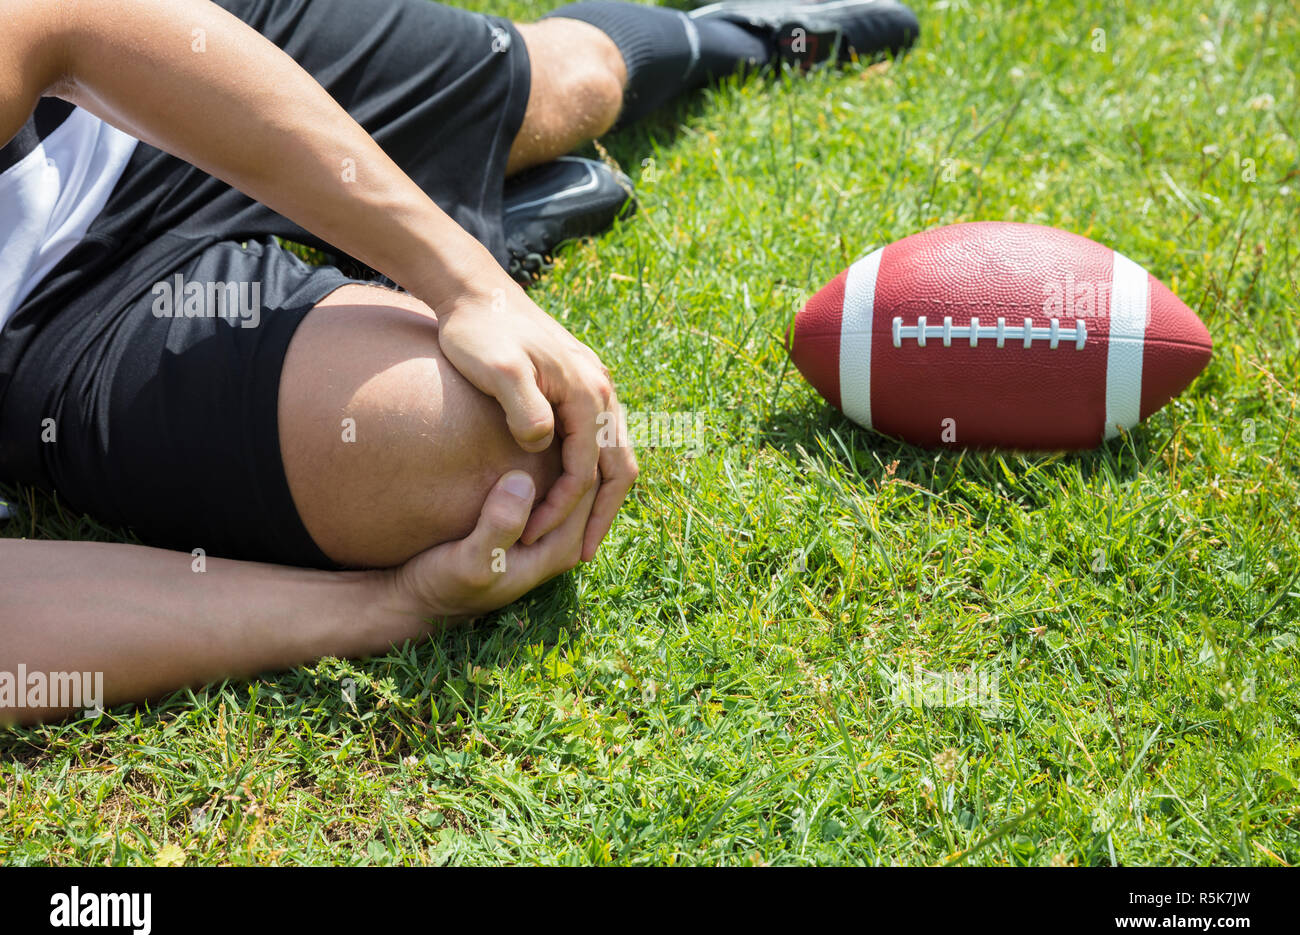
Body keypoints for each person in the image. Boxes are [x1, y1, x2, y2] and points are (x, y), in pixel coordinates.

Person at [0, 0, 918, 724]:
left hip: (133, 83)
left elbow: (76, 18)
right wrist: (389, 608)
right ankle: (446, 231)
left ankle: (720, 31)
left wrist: (470, 285)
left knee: (577, 84)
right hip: (49, 322)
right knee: (499, 451)